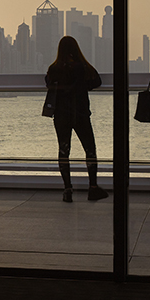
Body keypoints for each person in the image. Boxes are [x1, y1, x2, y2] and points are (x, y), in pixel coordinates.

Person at [44, 35, 107, 203]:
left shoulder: (54, 68)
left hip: (61, 115)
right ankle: (93, 187)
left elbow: (48, 83)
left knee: (64, 150)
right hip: (80, 114)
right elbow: (96, 80)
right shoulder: (81, 67)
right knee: (90, 149)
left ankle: (67, 189)